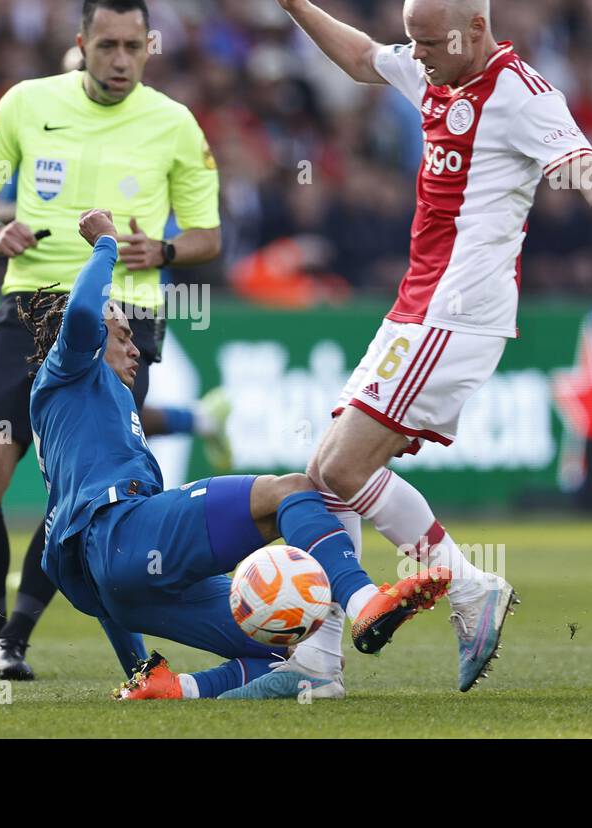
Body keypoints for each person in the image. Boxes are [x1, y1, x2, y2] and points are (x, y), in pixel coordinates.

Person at [250, 0, 592, 690]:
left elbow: (585, 166)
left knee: (341, 469)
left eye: (429, 43)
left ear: (476, 28)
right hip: (415, 306)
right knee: (322, 478)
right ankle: (317, 663)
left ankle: (470, 589)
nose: (415, 57)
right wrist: (300, 7)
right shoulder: (432, 66)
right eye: (411, 42)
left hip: (458, 311)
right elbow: (362, 57)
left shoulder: (522, 94)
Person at [27, 208, 452, 700]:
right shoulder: (70, 369)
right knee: (292, 490)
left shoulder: (75, 420)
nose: (135, 349)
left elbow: (99, 579)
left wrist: (138, 667)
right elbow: (82, 315)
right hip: (128, 532)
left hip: (120, 586)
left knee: (287, 649)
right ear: (89, 341)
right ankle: (363, 601)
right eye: (122, 335)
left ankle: (178, 689)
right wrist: (106, 244)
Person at [0, 0, 221, 680]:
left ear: (150, 48)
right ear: (82, 42)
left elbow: (207, 236)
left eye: (135, 46)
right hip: (30, 305)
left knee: (78, 493)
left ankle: (14, 637)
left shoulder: (176, 124)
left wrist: (161, 252)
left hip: (123, 316)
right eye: (108, 45)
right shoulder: (27, 104)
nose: (122, 59)